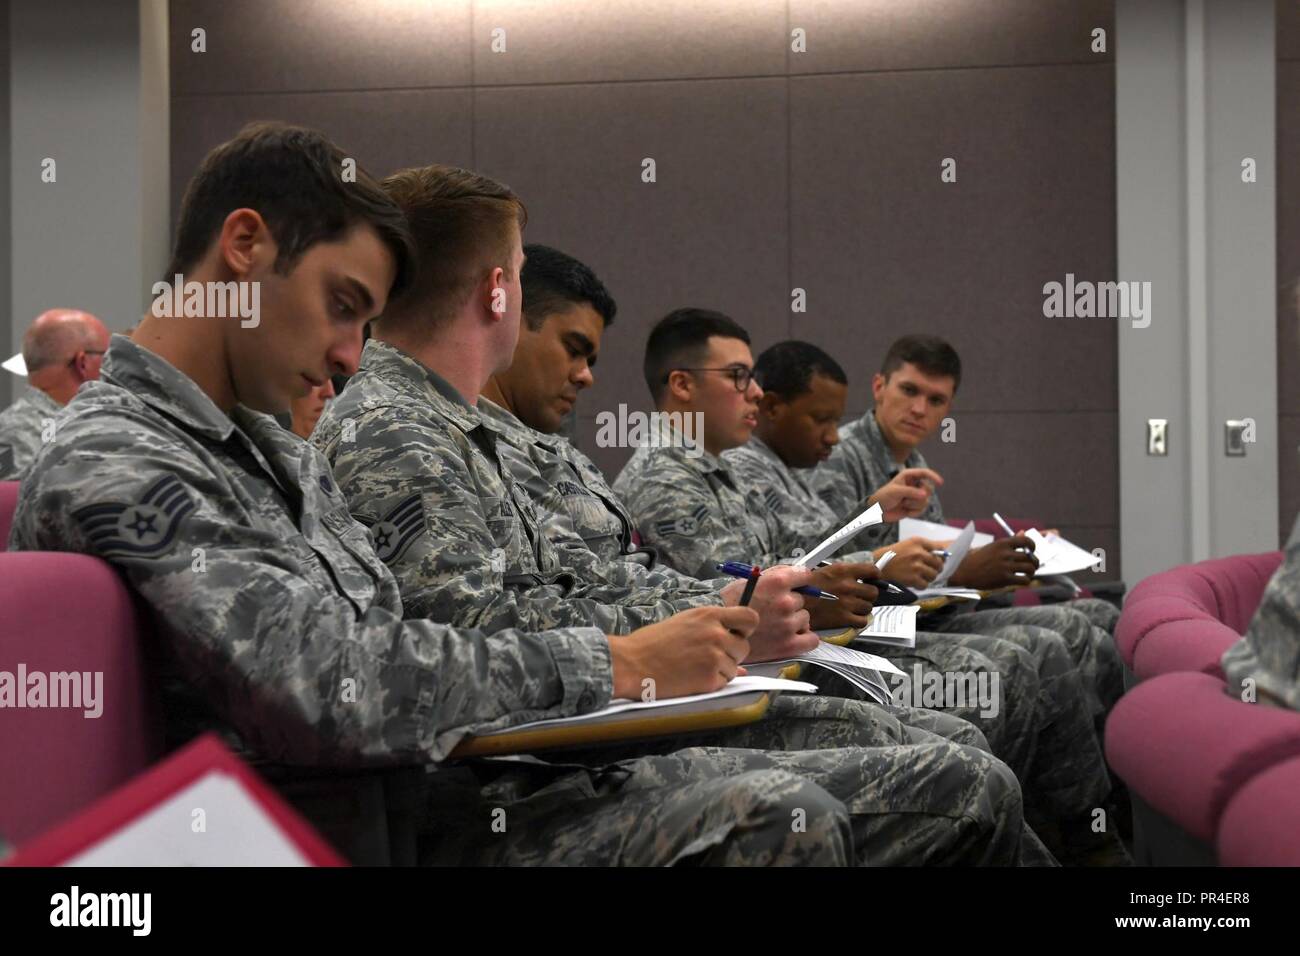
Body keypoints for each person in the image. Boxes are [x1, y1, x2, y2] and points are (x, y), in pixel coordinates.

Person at [9, 123, 1040, 866]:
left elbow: (406, 634)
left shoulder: (258, 449)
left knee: (937, 771)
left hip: (459, 780)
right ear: (244, 248)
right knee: (794, 815)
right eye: (341, 306)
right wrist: (621, 658)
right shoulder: (124, 452)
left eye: (365, 320)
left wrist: (670, 640)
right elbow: (333, 687)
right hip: (372, 820)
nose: (345, 352)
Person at [614, 310, 1129, 864]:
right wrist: (879, 557)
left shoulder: (720, 469)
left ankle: (1080, 834)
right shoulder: (666, 477)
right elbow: (744, 588)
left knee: (1041, 653)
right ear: (683, 385)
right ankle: (1078, 840)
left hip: (821, 641)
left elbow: (796, 552)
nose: (756, 393)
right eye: (739, 377)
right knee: (1005, 674)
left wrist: (873, 542)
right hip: (777, 666)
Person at [0, 308, 109, 479]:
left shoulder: (77, 422)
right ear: (83, 363)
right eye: (107, 355)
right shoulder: (19, 434)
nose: (111, 365)